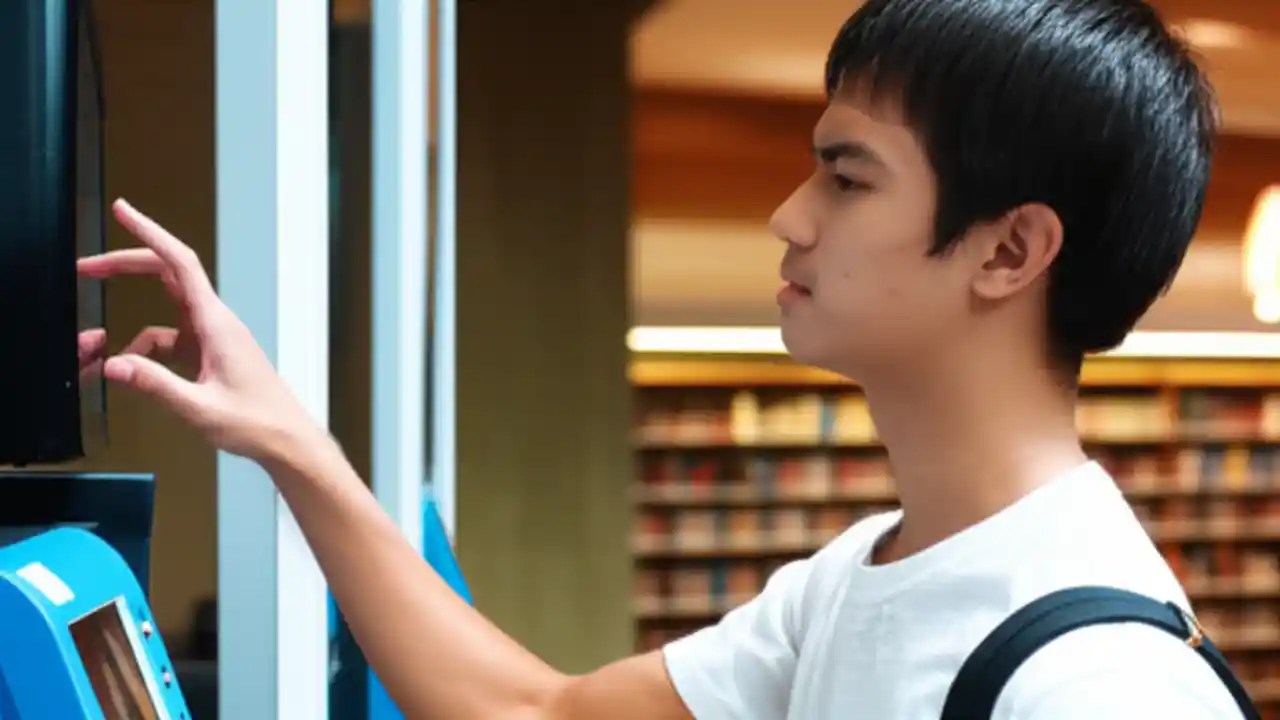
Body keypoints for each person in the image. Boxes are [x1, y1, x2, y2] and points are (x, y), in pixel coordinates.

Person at [76, 0, 1244, 717]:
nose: (789, 217)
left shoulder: (1099, 689)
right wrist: (288, 439)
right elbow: (533, 714)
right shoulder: (858, 579)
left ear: (1007, 251)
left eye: (846, 176)